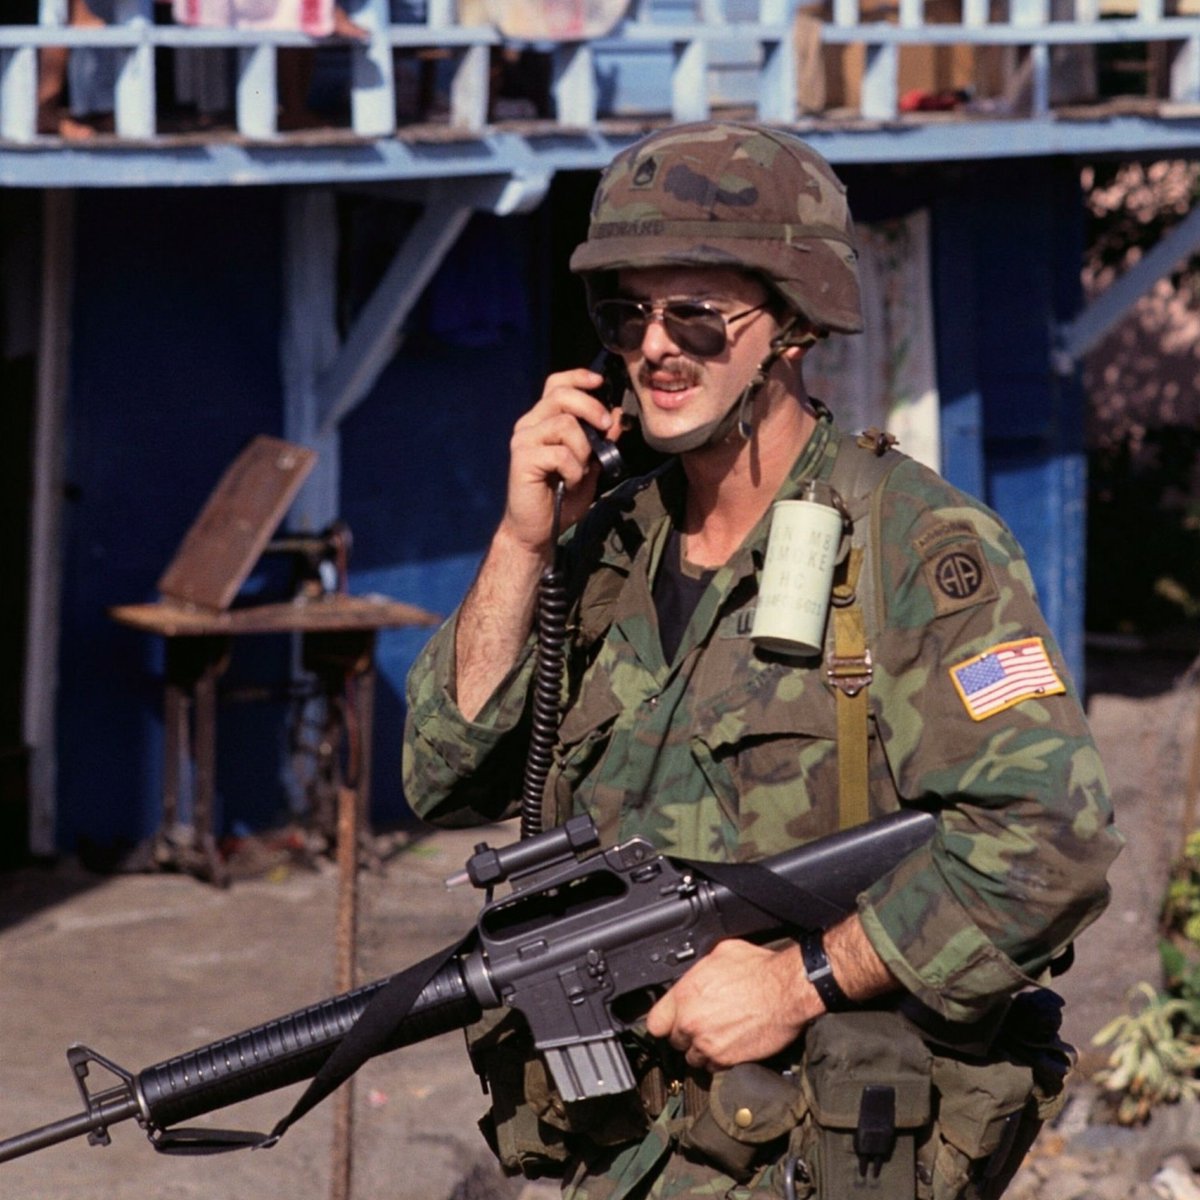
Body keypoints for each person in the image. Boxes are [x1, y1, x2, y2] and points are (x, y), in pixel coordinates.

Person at [402, 121, 1122, 1200]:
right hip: (626, 1161)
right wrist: (521, 544)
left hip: (814, 1160)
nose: (652, 347)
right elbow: (440, 772)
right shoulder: (608, 544)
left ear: (790, 322)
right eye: (625, 312)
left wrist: (801, 980)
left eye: (692, 312)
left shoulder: (911, 546)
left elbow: (1048, 839)